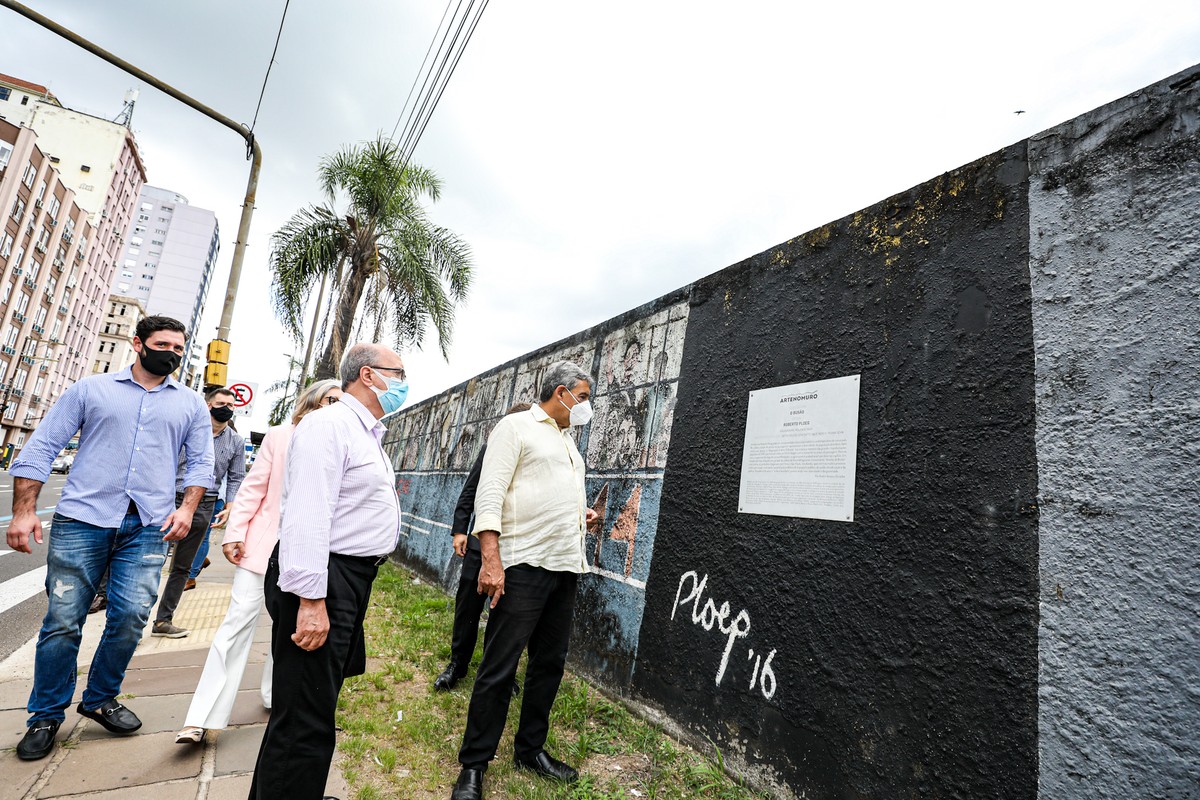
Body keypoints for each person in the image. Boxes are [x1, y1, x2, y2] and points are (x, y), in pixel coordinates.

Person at [7, 315, 214, 761]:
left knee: (131, 616)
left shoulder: (191, 404)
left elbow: (201, 463)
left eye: (179, 349)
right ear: (138, 344)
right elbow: (41, 447)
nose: (172, 354)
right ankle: (45, 715)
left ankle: (100, 697)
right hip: (82, 520)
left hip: (149, 525)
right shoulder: (90, 390)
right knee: (64, 620)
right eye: (163, 345)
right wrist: (23, 512)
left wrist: (186, 508)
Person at [248, 344, 407, 800]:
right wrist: (311, 601)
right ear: (368, 375)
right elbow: (307, 515)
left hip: (348, 577)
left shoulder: (363, 431)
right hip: (326, 578)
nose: (404, 383)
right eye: (398, 374)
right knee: (304, 716)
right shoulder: (329, 425)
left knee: (310, 703)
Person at [450, 361, 597, 800]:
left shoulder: (568, 442)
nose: (586, 406)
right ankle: (473, 766)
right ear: (560, 392)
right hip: (523, 567)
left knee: (549, 664)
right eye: (582, 397)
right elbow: (489, 495)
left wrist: (581, 514)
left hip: (565, 566)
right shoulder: (515, 428)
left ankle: (530, 750)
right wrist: (491, 561)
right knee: (499, 667)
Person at [175, 379, 342, 745]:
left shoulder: (343, 443)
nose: (334, 407)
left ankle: (275, 697)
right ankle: (200, 717)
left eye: (340, 402)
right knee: (236, 625)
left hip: (310, 556)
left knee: (290, 630)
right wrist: (235, 532)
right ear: (312, 401)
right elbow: (253, 488)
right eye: (330, 399)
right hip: (264, 547)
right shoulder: (281, 436)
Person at [433, 402, 532, 694]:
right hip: (480, 545)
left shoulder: (536, 455)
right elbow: (470, 490)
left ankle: (501, 672)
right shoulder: (492, 448)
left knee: (505, 615)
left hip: (517, 549)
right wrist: (459, 530)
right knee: (467, 607)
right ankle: (457, 665)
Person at [152, 387, 246, 638]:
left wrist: (230, 506)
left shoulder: (235, 441)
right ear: (208, 405)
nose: (226, 408)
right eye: (221, 403)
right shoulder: (188, 430)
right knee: (151, 559)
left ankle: (163, 621)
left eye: (231, 405)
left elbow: (236, 476)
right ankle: (134, 619)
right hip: (171, 499)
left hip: (205, 504)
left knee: (182, 566)